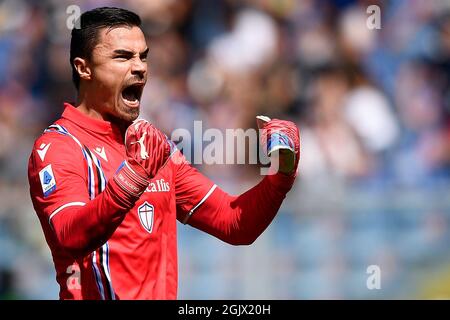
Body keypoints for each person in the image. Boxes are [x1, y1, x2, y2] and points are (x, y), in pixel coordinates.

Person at [27, 7, 300, 300]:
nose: (140, 67)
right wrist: (132, 179)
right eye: (123, 57)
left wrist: (280, 175)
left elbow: (236, 224)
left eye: (143, 56)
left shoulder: (153, 147)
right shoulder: (59, 147)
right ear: (84, 68)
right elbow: (69, 235)